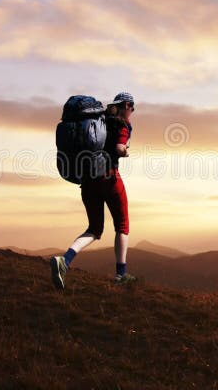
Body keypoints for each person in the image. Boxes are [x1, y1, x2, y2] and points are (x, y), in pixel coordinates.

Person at [50, 92, 137, 289]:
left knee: (94, 229)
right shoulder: (122, 125)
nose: (132, 111)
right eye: (131, 107)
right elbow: (119, 148)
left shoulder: (99, 120)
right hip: (110, 178)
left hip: (87, 181)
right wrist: (125, 151)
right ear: (125, 105)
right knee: (122, 226)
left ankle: (65, 260)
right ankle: (121, 274)